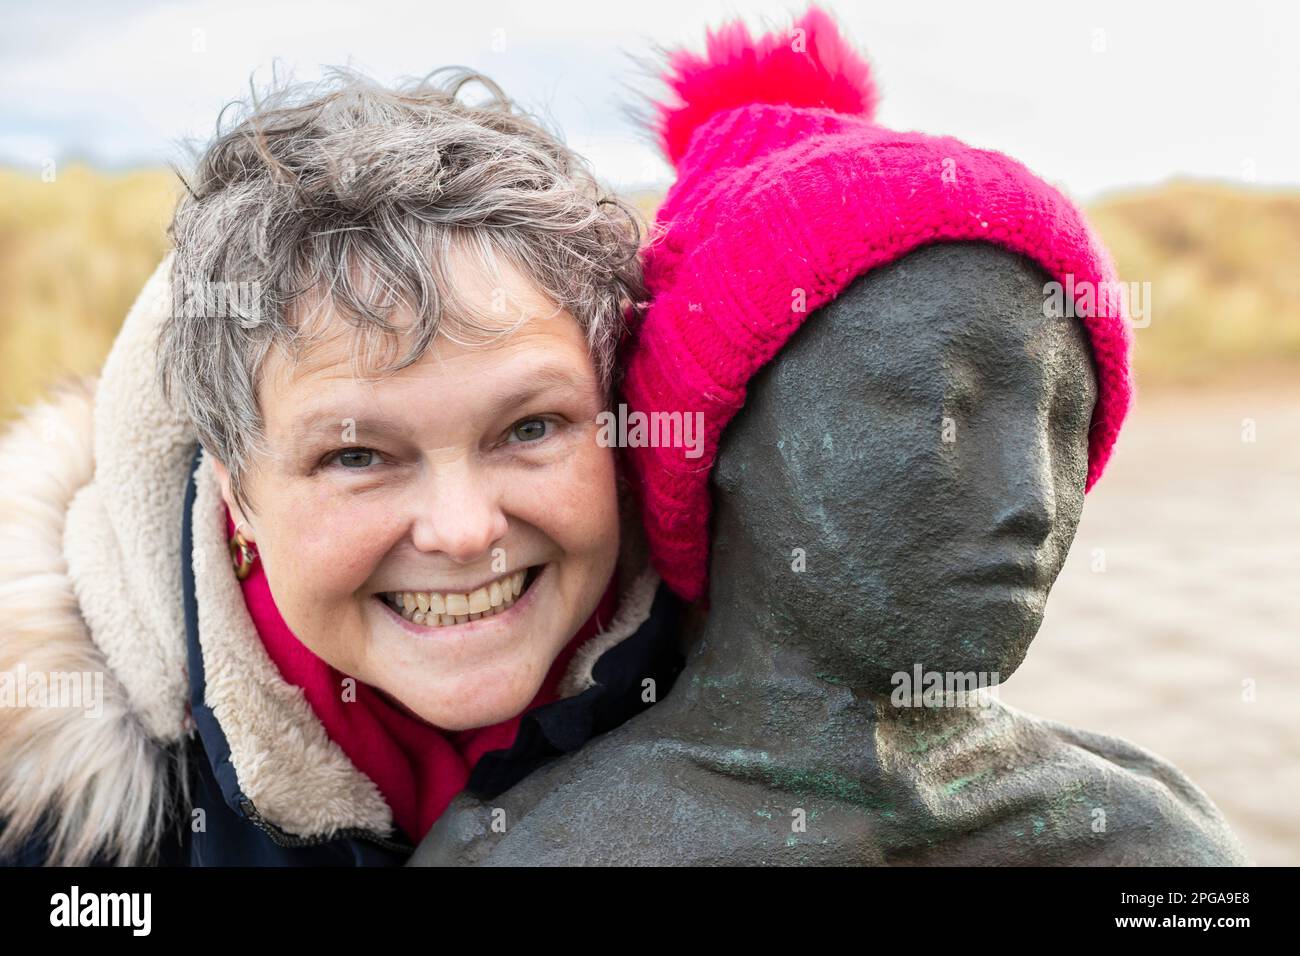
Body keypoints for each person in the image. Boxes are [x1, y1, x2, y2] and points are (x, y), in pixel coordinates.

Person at [408, 6, 1249, 866]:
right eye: (940, 409)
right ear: (719, 444)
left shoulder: (1151, 847)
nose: (1032, 496)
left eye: (1066, 422)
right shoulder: (532, 853)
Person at [0, 67, 684, 866]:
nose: (466, 533)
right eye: (357, 455)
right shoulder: (54, 822)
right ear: (236, 492)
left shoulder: (786, 707)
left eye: (530, 427)